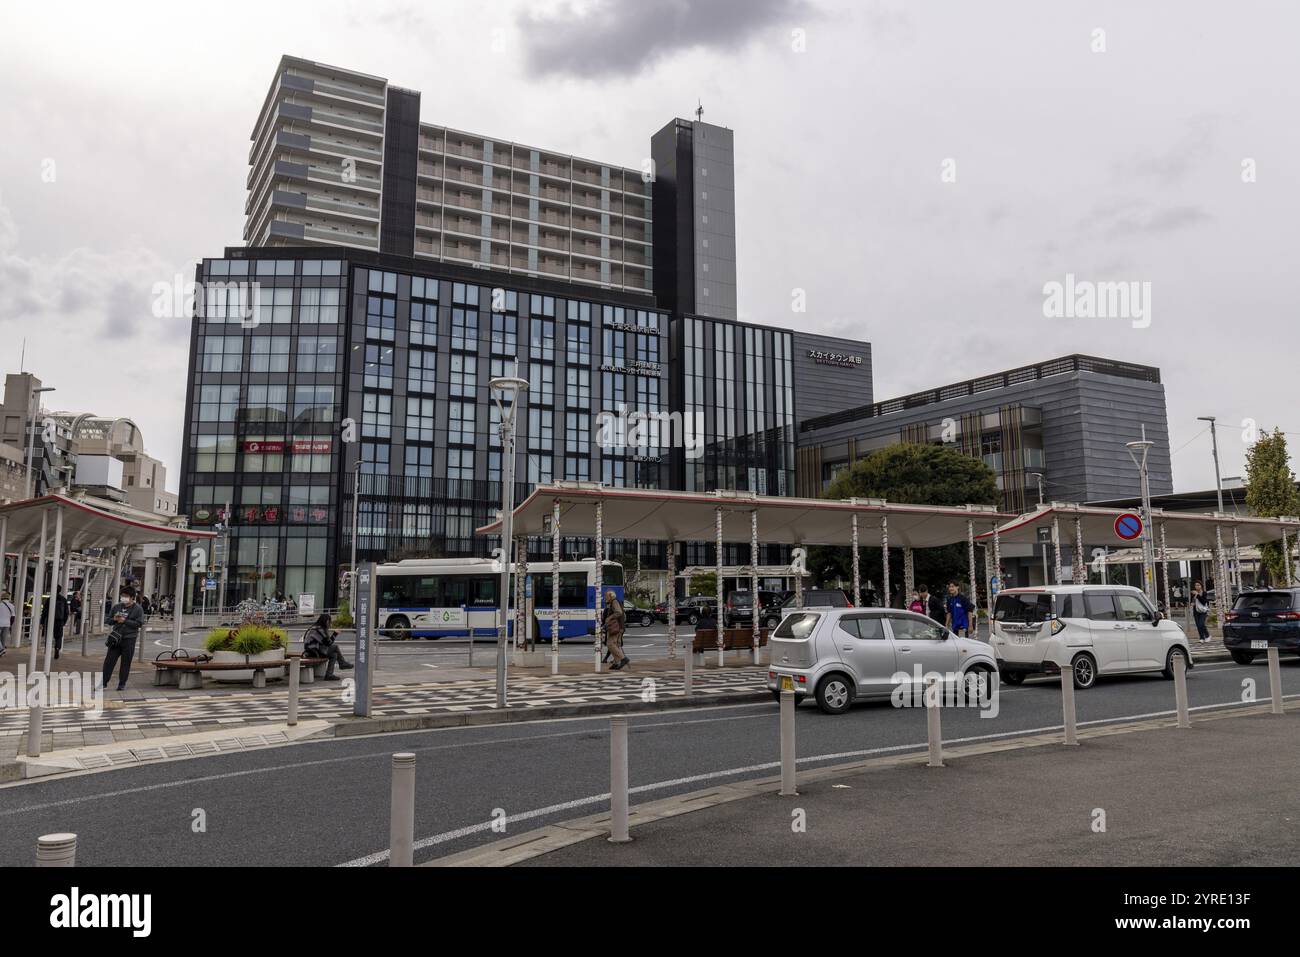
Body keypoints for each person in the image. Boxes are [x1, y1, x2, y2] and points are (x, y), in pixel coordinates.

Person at [102, 588, 146, 691]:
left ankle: (122, 683)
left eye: (126, 596)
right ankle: (103, 683)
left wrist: (125, 621)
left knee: (126, 662)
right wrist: (114, 619)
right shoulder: (117, 607)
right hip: (116, 638)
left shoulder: (138, 609)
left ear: (132, 598)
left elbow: (139, 623)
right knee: (109, 661)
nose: (123, 598)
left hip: (129, 639)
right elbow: (108, 620)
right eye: (122, 596)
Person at [303, 613, 353, 680]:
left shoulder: (315, 627)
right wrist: (335, 634)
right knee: (335, 647)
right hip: (313, 652)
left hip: (312, 651)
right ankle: (342, 663)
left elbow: (326, 643)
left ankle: (329, 675)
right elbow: (329, 643)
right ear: (326, 621)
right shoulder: (319, 629)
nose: (329, 623)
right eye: (329, 621)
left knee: (334, 655)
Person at [40, 585, 69, 659]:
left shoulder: (50, 599)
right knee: (59, 636)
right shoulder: (63, 599)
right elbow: (66, 612)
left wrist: (42, 622)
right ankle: (57, 648)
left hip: (50, 620)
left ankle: (47, 650)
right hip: (59, 621)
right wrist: (64, 622)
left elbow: (44, 612)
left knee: (48, 635)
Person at [603, 590, 629, 670]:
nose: (605, 598)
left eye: (606, 596)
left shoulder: (614, 602)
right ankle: (616, 662)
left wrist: (609, 618)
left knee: (610, 644)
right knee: (614, 644)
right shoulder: (613, 602)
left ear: (611, 596)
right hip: (617, 627)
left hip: (616, 627)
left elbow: (619, 612)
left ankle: (623, 659)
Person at [0, 591, 13, 657]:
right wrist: (10, 624)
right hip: (7, 624)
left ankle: (2, 649)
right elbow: (13, 616)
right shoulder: (11, 606)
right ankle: (2, 652)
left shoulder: (0, 605)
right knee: (3, 638)